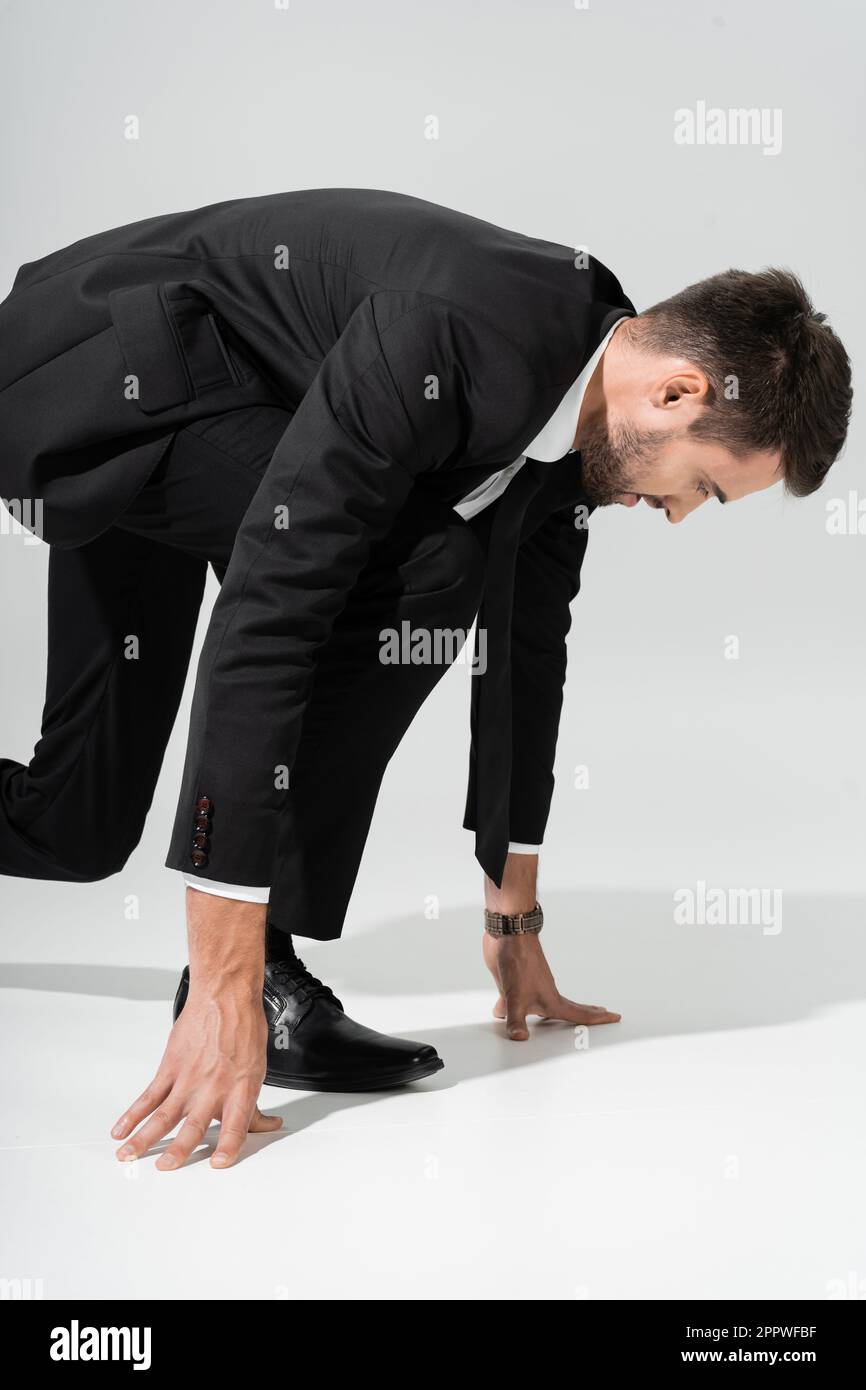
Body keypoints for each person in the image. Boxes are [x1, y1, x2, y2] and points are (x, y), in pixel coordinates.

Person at [0, 190, 851, 1170]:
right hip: (96, 374)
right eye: (702, 485)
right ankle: (259, 975)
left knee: (75, 826)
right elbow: (272, 605)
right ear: (677, 393)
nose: (675, 516)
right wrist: (225, 973)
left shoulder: (573, 408)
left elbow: (525, 646)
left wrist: (512, 913)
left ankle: (222, 934)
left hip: (193, 394)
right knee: (418, 566)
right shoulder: (455, 330)